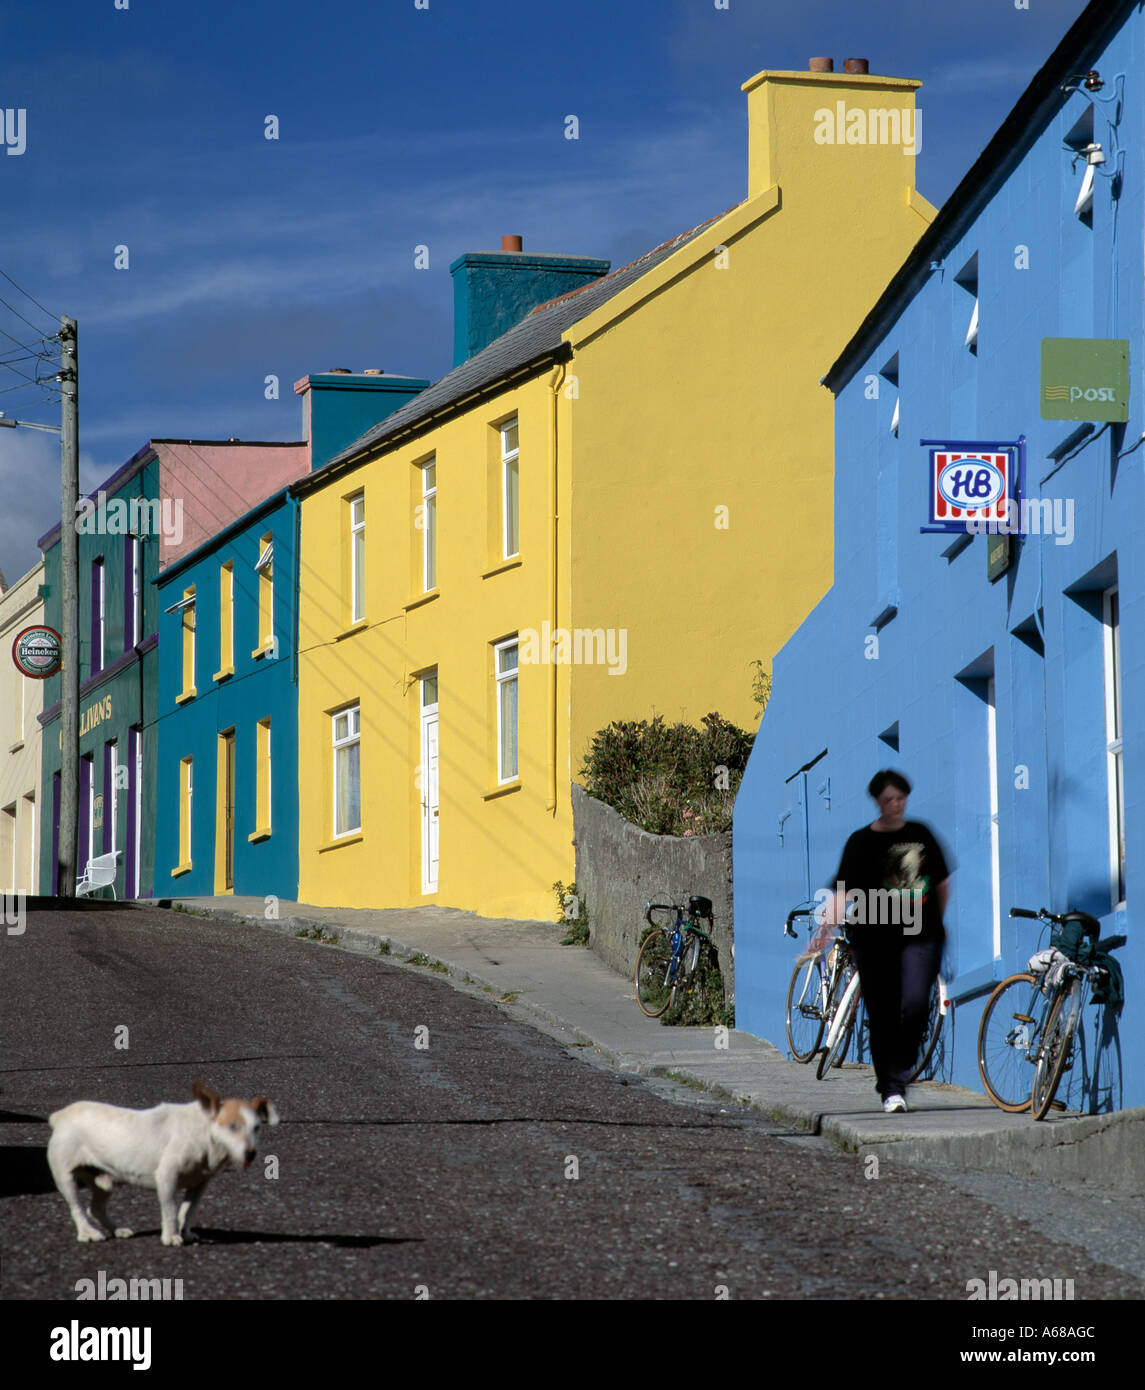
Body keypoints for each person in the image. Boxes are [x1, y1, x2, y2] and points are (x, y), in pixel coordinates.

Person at [813, 770, 951, 1113]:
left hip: (921, 935)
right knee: (884, 1014)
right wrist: (825, 929)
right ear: (877, 801)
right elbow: (843, 892)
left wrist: (936, 922)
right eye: (889, 799)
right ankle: (892, 1088)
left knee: (917, 1004)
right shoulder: (860, 843)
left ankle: (899, 1069)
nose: (895, 805)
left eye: (901, 798)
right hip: (874, 939)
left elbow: (942, 883)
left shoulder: (921, 835)